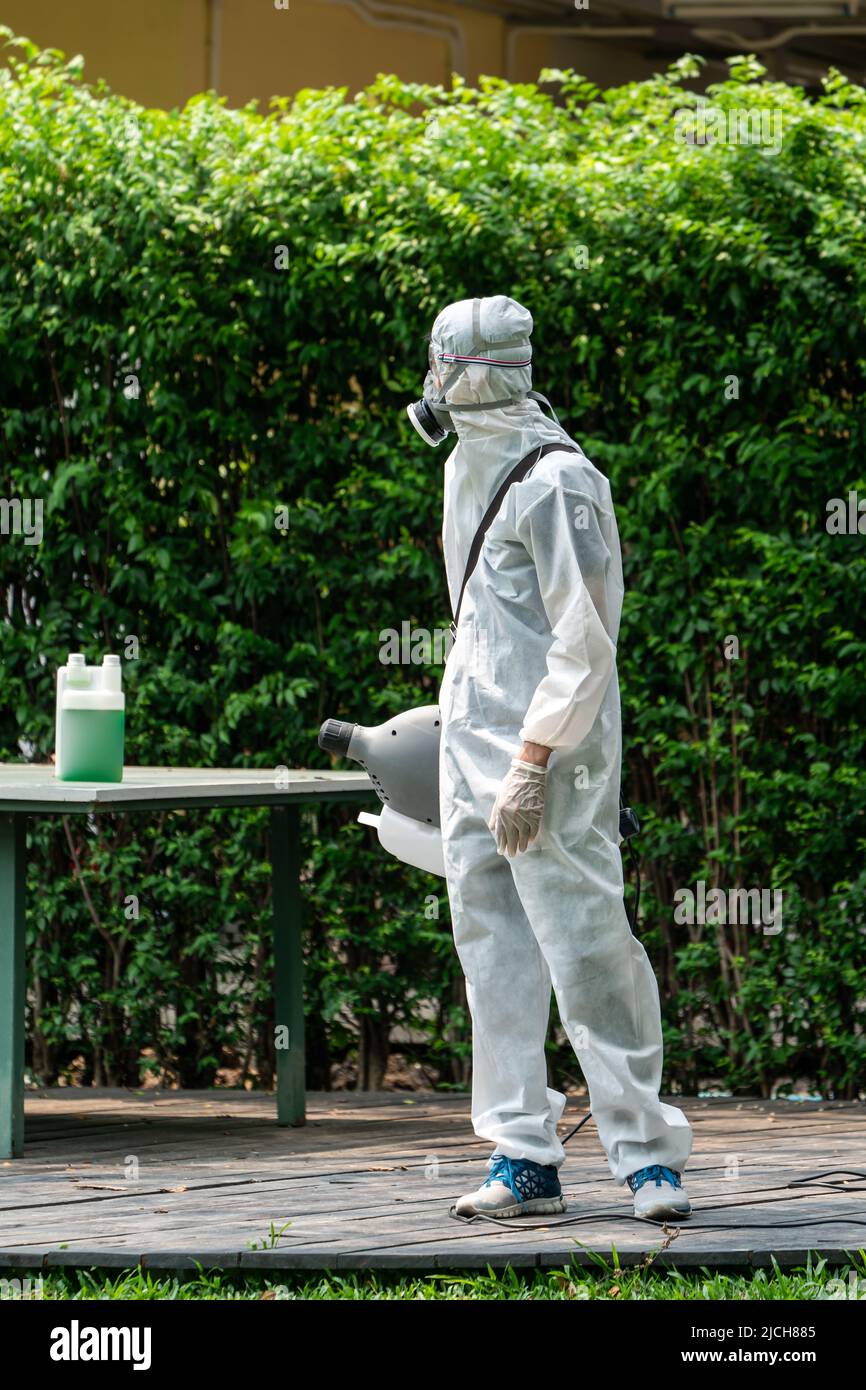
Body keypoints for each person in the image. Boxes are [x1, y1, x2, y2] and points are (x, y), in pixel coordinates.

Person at [408, 294, 693, 1222]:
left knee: (586, 943)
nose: (435, 381)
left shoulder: (560, 482)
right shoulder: (464, 466)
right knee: (491, 945)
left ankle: (649, 1157)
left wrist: (533, 758)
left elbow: (584, 638)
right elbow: (486, 625)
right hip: (473, 745)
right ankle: (522, 1154)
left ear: (484, 372)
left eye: (447, 365)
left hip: (551, 755)